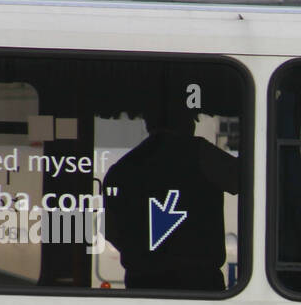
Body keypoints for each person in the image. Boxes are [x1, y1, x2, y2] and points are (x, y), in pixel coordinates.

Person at [102, 99, 239, 291]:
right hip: (200, 283)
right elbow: (247, 181)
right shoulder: (201, 154)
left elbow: (111, 231)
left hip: (142, 284)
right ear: (185, 121)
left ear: (148, 123)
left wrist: (148, 254)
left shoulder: (121, 169)